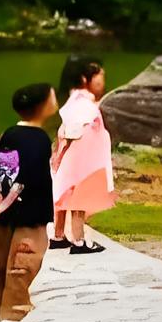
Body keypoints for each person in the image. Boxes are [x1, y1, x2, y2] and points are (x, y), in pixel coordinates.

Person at [0, 83, 57, 322]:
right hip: (30, 211)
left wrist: (1, 198)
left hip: (3, 208)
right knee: (23, 261)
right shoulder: (40, 139)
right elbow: (35, 174)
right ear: (43, 107)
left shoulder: (11, 133)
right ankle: (13, 313)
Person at [50, 57, 113, 253]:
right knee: (78, 195)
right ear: (85, 79)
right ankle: (78, 241)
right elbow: (72, 129)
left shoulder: (79, 100)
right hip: (80, 157)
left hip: (78, 155)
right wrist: (64, 150)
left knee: (66, 193)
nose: (102, 82)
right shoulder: (82, 102)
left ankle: (59, 235)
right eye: (99, 77)